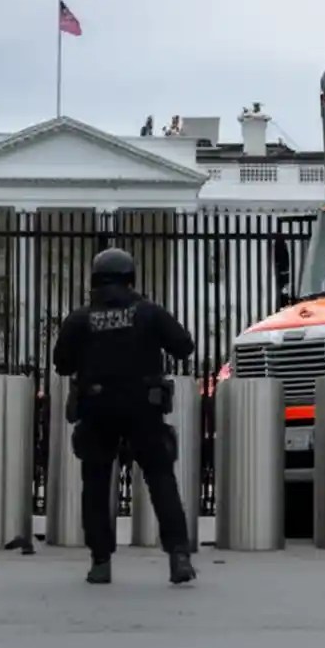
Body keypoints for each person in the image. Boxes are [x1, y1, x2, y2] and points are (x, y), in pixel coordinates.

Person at [52, 247, 198, 585]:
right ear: (130, 278)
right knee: (161, 479)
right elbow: (184, 346)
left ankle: (100, 561)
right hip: (143, 407)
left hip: (97, 407)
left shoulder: (80, 318)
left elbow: (62, 364)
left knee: (97, 483)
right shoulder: (148, 313)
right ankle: (178, 555)